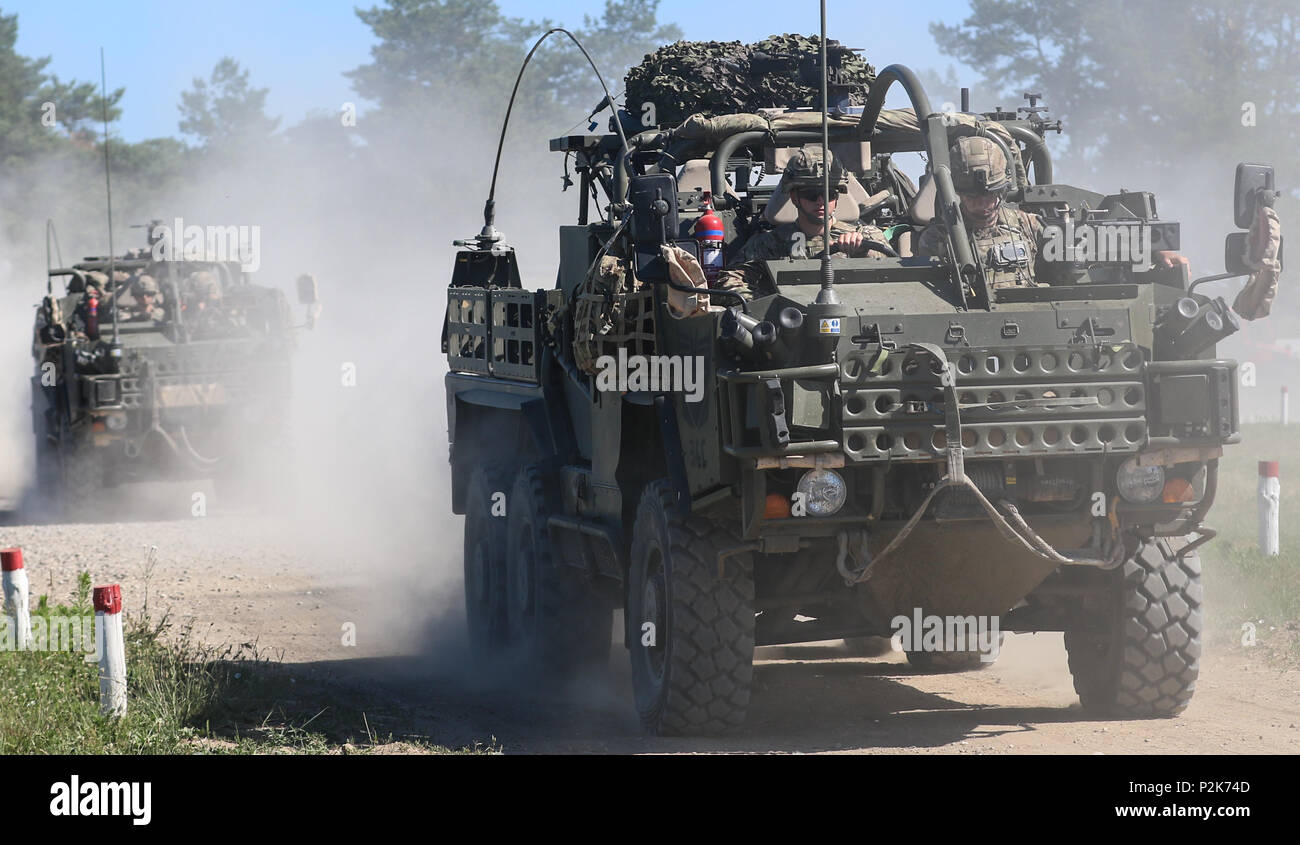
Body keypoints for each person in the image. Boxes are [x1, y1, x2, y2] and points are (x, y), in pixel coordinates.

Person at [916, 135, 1188, 288]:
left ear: (1002, 190)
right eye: (973, 196)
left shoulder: (1026, 226)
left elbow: (1091, 241)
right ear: (957, 193)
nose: (984, 204)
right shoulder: (936, 240)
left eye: (992, 195)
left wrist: (1157, 249)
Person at [715, 147, 888, 298]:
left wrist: (863, 253)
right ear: (794, 198)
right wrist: (768, 305)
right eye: (811, 194)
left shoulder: (865, 237)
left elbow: (894, 278)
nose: (820, 201)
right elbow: (728, 282)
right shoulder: (769, 244)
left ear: (836, 197)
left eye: (828, 194)